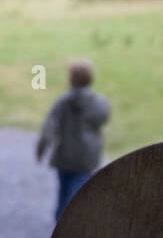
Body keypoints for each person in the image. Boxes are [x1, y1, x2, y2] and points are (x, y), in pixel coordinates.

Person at [36, 60, 111, 221]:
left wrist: (41, 149)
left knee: (64, 191)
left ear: (71, 79)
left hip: (65, 155)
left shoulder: (63, 102)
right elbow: (104, 117)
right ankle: (71, 224)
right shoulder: (98, 102)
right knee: (78, 191)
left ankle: (61, 223)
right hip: (87, 156)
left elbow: (49, 126)